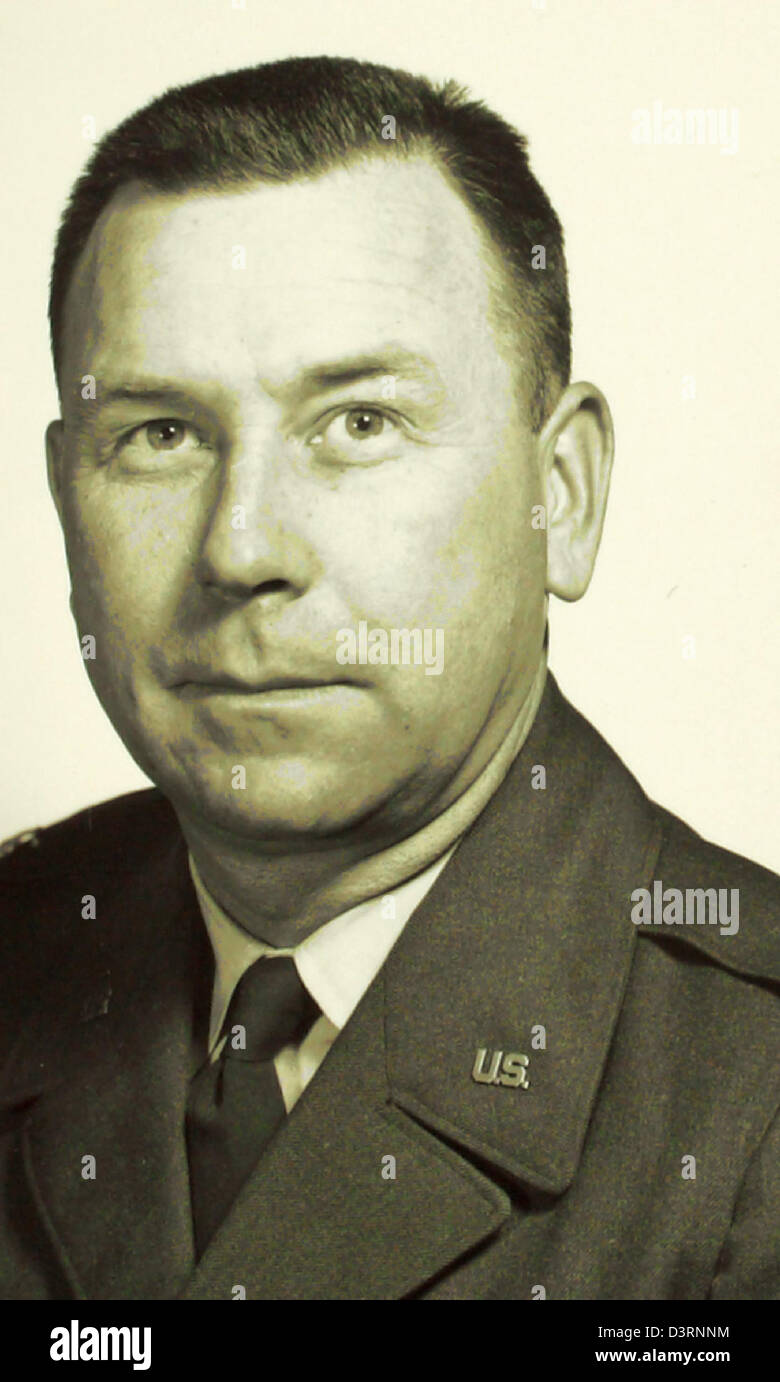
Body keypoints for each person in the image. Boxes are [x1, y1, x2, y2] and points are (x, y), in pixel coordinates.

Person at [0, 55, 777, 1302]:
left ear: (560, 497)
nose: (242, 547)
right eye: (160, 435)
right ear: (61, 508)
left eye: (358, 422)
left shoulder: (751, 1102)